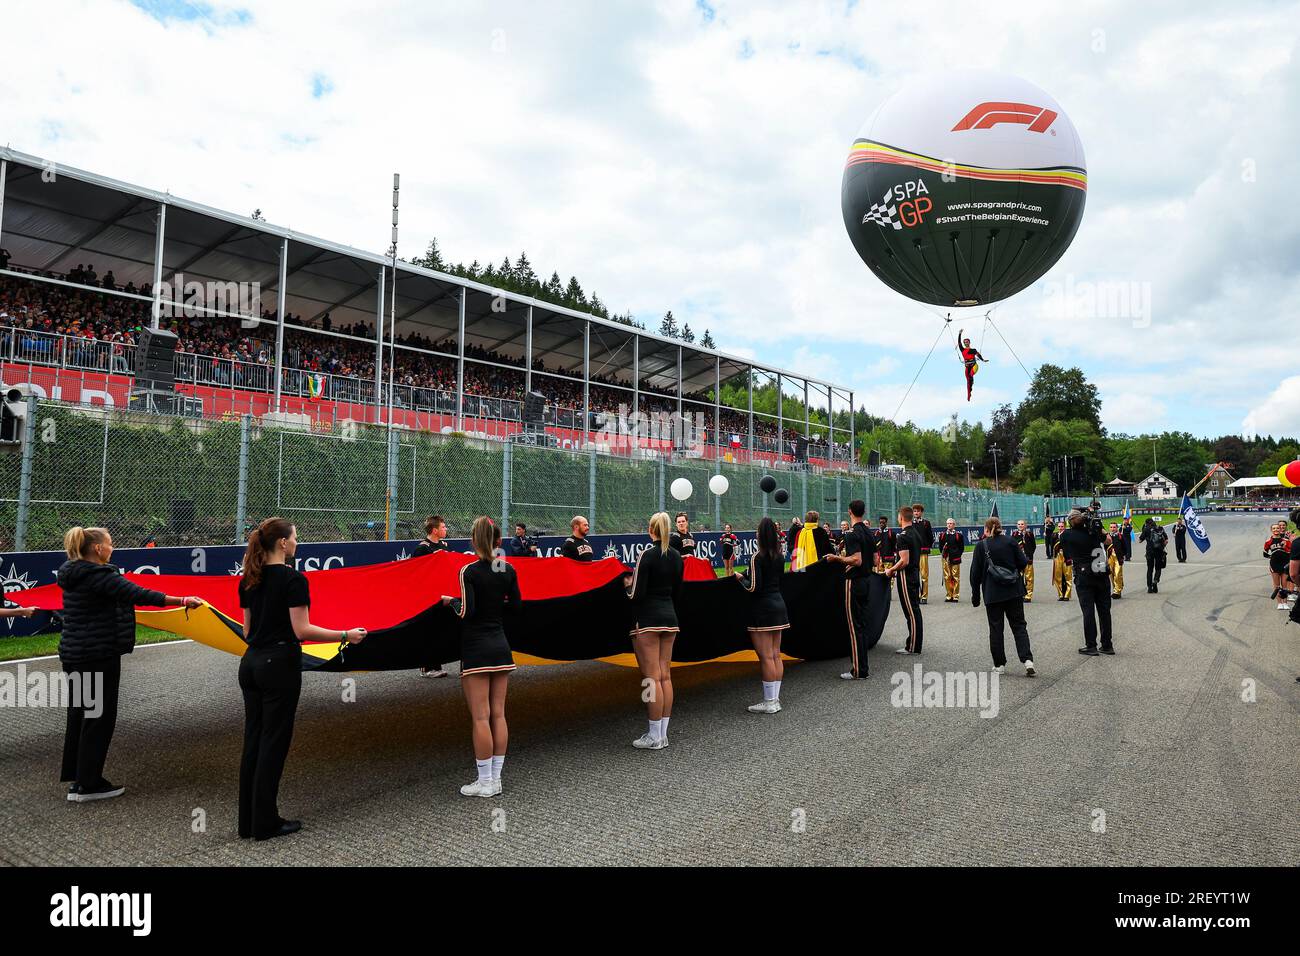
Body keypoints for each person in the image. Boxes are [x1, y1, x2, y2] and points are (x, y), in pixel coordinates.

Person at [238, 518, 367, 837]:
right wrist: (345, 635)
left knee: (254, 739)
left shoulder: (248, 579)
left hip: (251, 663)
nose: (297, 541)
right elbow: (302, 630)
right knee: (274, 742)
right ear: (283, 543)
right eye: (295, 537)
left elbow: (247, 631)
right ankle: (265, 821)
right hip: (279, 665)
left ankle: (248, 821)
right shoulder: (293, 579)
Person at [57, 527, 201, 804]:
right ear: (98, 548)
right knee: (98, 718)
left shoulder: (72, 573)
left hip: (75, 655)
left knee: (81, 715)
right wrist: (182, 600)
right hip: (98, 656)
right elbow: (140, 594)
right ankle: (90, 784)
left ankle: (79, 779)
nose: (112, 548)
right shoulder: (99, 576)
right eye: (110, 544)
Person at [441, 516, 522, 795]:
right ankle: (495, 779)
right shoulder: (508, 569)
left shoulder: (469, 571)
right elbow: (517, 607)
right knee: (498, 714)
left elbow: (467, 611)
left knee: (480, 717)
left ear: (474, 540)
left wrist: (451, 602)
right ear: (498, 541)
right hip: (501, 646)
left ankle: (485, 781)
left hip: (476, 649)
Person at [627, 512, 684, 748]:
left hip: (648, 620)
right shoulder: (677, 556)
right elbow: (678, 592)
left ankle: (653, 735)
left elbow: (636, 594)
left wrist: (626, 586)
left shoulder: (647, 555)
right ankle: (662, 734)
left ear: (651, 530)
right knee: (665, 676)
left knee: (650, 678)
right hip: (670, 618)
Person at [969, 516, 1036, 676]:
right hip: (1013, 590)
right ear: (1000, 527)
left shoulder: (981, 545)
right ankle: (1027, 660)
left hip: (993, 593)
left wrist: (975, 596)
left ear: (986, 529)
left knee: (996, 628)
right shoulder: (1010, 541)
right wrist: (1012, 570)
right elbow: (1023, 562)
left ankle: (999, 664)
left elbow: (975, 574)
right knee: (1019, 626)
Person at [737, 517, 789, 712]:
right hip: (779, 605)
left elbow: (754, 587)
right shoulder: (779, 556)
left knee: (766, 657)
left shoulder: (757, 557)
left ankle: (770, 702)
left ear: (760, 535)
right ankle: (775, 700)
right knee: (775, 655)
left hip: (763, 610)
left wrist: (740, 579)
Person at [824, 499, 877, 680]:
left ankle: (859, 670)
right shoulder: (869, 532)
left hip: (854, 582)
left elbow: (856, 559)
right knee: (861, 625)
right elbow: (875, 560)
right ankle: (863, 668)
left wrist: (837, 558)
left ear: (849, 512)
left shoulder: (851, 533)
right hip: (867, 581)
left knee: (855, 628)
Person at [1059, 508, 1114, 656]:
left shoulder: (1066, 535)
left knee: (1088, 611)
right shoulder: (1094, 532)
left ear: (1071, 522)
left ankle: (1091, 645)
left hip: (1084, 575)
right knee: (1104, 611)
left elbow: (1067, 555)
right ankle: (1107, 644)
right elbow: (1109, 540)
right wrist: (1099, 526)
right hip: (1101, 571)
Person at [414, 515, 451, 678]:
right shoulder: (422, 548)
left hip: (442, 594)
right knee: (428, 631)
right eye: (443, 527)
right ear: (435, 530)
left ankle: (437, 666)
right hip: (427, 596)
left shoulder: (444, 545)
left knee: (439, 630)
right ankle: (426, 668)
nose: (445, 529)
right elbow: (416, 572)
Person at [887, 505, 923, 655]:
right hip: (914, 574)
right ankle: (914, 643)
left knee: (911, 612)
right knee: (914, 610)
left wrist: (891, 570)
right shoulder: (915, 532)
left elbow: (904, 560)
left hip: (906, 576)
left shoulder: (903, 536)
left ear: (901, 517)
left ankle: (913, 646)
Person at [1264, 522, 1292, 608]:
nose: (1276, 529)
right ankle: (1279, 603)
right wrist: (1272, 557)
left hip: (1285, 564)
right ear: (1271, 530)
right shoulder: (1268, 541)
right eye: (1274, 528)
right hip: (1274, 565)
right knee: (1277, 585)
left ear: (1280, 529)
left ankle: (1285, 603)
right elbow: (1265, 554)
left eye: (1277, 528)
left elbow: (1290, 552)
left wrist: (1285, 548)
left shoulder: (1286, 540)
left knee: (1284, 585)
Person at [936, 517, 965, 602]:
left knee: (955, 577)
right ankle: (949, 595)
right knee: (947, 577)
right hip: (946, 559)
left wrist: (957, 554)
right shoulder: (942, 535)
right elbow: (940, 547)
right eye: (948, 523)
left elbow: (961, 548)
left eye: (950, 523)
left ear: (954, 525)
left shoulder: (958, 535)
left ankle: (955, 596)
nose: (949, 525)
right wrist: (944, 554)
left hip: (955, 558)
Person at [911, 504, 934, 604]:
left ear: (921, 512)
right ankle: (916, 596)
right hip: (913, 553)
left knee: (924, 575)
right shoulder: (910, 523)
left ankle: (924, 596)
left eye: (918, 511)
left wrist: (927, 547)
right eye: (915, 511)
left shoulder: (926, 523)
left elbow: (930, 537)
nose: (916, 513)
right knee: (914, 575)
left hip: (923, 552)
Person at [955, 329, 988, 402]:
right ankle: (969, 394)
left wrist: (983, 360)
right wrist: (959, 334)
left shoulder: (973, 350)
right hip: (967, 367)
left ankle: (971, 382)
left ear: (969, 342)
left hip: (974, 366)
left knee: (970, 376)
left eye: (967, 342)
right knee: (968, 381)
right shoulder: (962, 350)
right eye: (965, 342)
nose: (966, 343)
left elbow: (978, 355)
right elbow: (959, 343)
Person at [1009, 518, 1037, 602]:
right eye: (1019, 524)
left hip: (1028, 559)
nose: (1020, 526)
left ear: (1025, 525)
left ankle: (1028, 595)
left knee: (1029, 578)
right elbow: (1012, 547)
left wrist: (1029, 554)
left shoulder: (1029, 534)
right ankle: (1020, 594)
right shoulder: (1014, 535)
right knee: (1018, 578)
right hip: (1018, 560)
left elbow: (1033, 546)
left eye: (1022, 524)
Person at [1138, 517, 1168, 593]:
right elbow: (1166, 540)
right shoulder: (1160, 528)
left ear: (1146, 523)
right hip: (1159, 551)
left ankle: (1149, 587)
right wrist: (1162, 545)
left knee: (1150, 569)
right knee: (1158, 568)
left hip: (1149, 552)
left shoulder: (1146, 529)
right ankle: (1155, 581)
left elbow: (1140, 540)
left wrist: (1145, 536)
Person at [1051, 518, 1073, 601]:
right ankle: (1060, 594)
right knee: (1058, 576)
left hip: (1067, 556)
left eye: (1062, 526)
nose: (1060, 528)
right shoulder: (1054, 535)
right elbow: (1052, 546)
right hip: (1057, 556)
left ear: (1065, 527)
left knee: (1068, 575)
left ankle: (1067, 594)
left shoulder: (1068, 535)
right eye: (1059, 526)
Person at [1107, 522, 1126, 599]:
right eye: (1111, 527)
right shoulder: (1107, 536)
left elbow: (1125, 547)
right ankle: (1116, 588)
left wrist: (1123, 555)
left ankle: (1117, 591)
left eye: (1114, 527)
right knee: (1111, 574)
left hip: (1118, 557)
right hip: (1110, 557)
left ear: (1117, 528)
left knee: (1117, 574)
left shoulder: (1120, 536)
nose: (1112, 529)